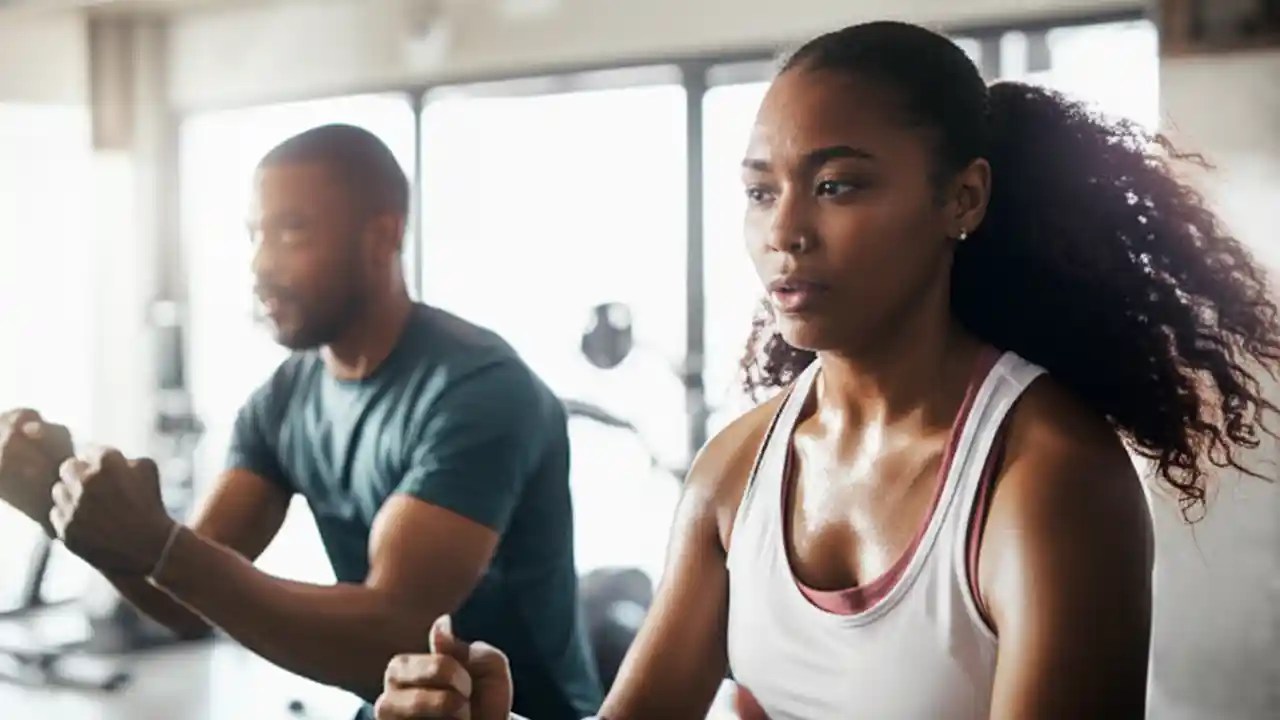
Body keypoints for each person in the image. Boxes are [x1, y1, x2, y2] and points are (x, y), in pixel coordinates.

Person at [370, 21, 1280, 720]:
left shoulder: (1046, 478)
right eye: (762, 190)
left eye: (838, 184)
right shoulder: (735, 471)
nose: (784, 230)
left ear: (962, 198)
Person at [0, 124, 602, 720]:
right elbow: (185, 600)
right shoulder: (281, 401)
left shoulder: (483, 392)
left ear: (382, 236)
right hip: (395, 708)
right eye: (255, 235)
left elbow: (392, 630)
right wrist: (56, 503)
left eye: (292, 232)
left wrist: (160, 545)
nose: (261, 265)